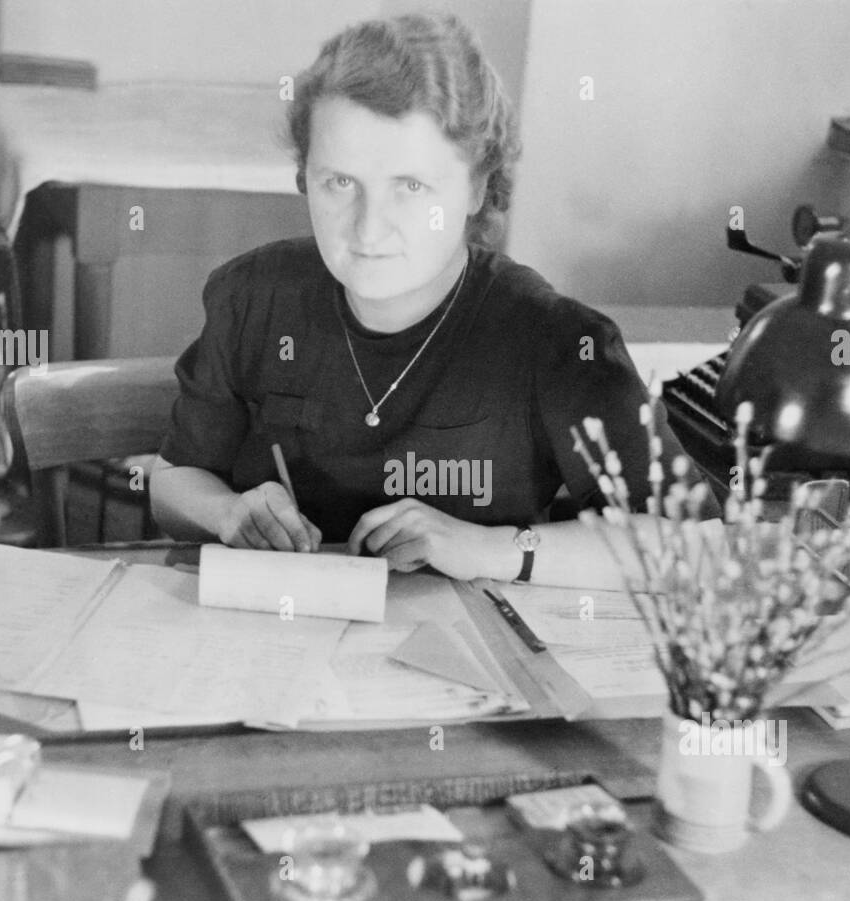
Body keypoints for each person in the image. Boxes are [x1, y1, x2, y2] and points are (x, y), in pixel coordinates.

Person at [150, 12, 718, 588]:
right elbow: (173, 479)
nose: (368, 230)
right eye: (339, 183)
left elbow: (703, 545)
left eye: (411, 187)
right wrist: (224, 512)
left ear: (476, 186)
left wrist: (491, 549)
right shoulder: (254, 298)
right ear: (306, 177)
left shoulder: (555, 342)